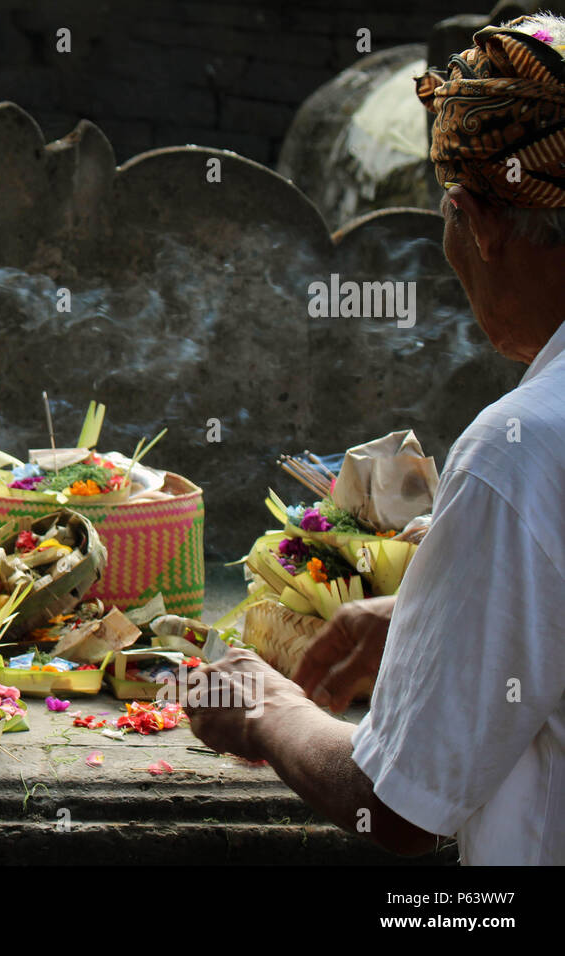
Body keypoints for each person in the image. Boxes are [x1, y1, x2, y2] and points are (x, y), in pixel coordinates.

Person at [189, 14, 565, 865]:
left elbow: (396, 808)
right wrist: (429, 613)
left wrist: (263, 705)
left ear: (479, 219)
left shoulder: (520, 448)